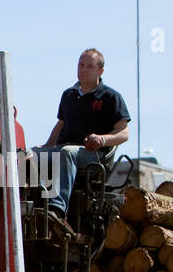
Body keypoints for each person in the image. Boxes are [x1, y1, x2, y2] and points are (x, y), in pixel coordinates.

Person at [36, 48, 131, 216]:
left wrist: (102, 139)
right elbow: (61, 125)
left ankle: (57, 207)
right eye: (80, 65)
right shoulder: (69, 95)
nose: (83, 69)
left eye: (89, 66)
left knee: (67, 152)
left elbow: (124, 133)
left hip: (94, 154)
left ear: (100, 71)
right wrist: (45, 146)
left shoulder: (110, 97)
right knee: (30, 155)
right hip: (64, 148)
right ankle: (33, 202)